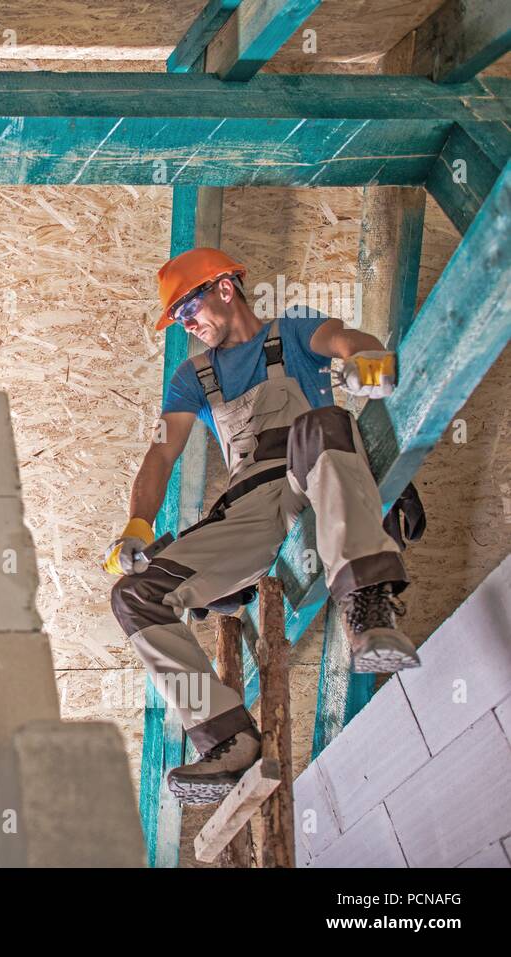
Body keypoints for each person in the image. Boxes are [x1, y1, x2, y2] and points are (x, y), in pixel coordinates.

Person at [104, 247, 419, 806]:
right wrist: (136, 525)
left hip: (314, 473)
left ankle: (370, 607)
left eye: (187, 309)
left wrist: (365, 363)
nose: (187, 325)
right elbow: (160, 454)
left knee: (321, 422)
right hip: (249, 507)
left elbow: (348, 341)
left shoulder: (292, 331)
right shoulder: (193, 377)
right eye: (178, 318)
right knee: (135, 595)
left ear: (225, 288)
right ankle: (227, 739)